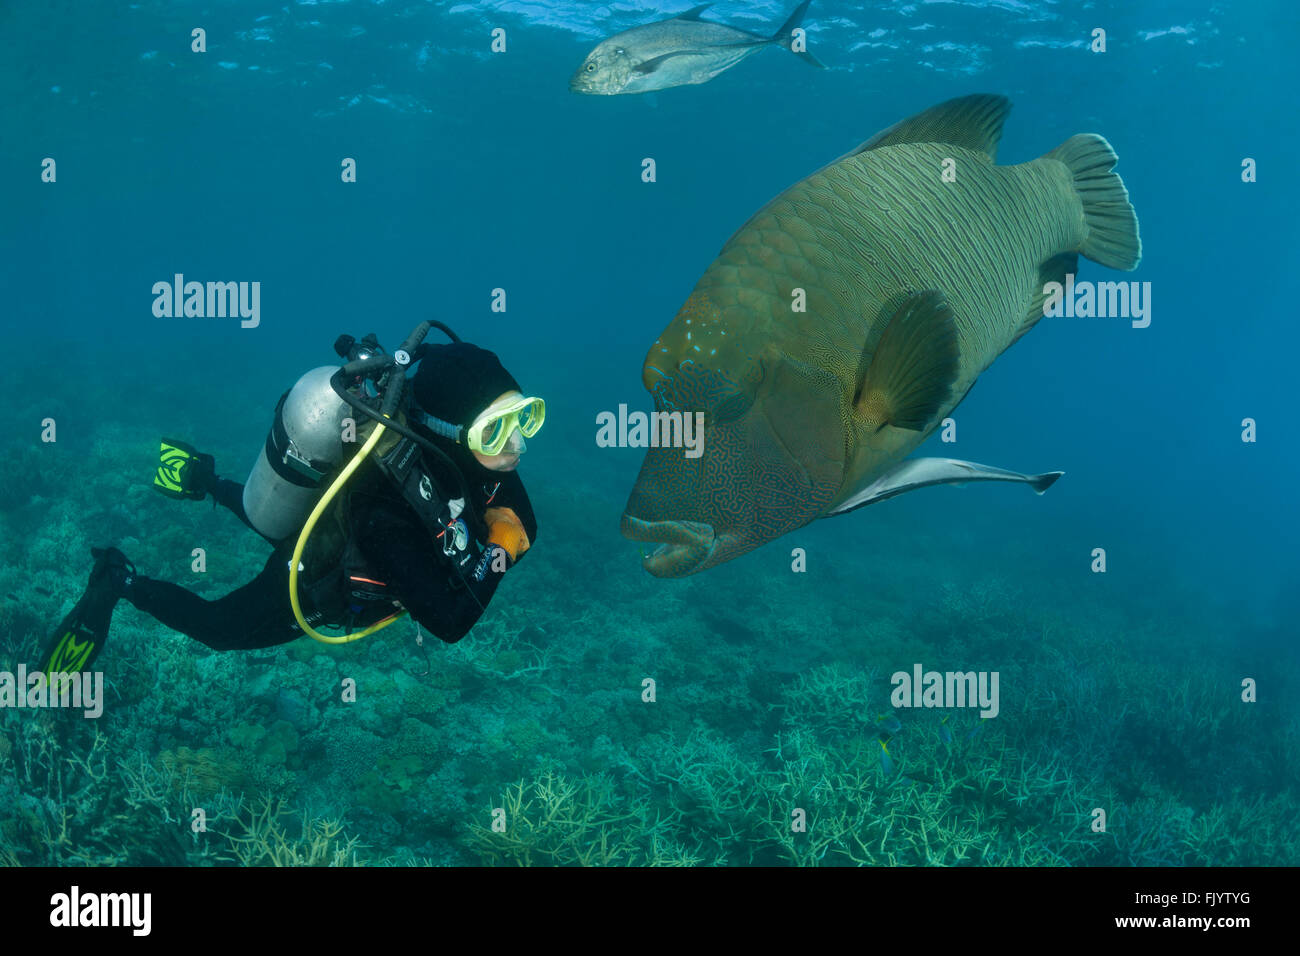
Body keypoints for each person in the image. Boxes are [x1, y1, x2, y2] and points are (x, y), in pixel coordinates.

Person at [40, 334, 541, 676]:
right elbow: (451, 621)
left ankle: (201, 478)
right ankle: (118, 580)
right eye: (494, 430)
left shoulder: (470, 459)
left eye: (523, 418)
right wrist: (498, 548)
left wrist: (504, 531)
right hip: (314, 575)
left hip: (329, 520)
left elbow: (526, 520)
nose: (516, 444)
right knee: (221, 628)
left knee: (272, 520)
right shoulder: (385, 512)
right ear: (444, 431)